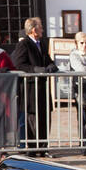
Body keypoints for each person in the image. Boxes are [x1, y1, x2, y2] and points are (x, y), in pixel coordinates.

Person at [11, 16, 55, 151]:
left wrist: (52, 66)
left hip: (42, 87)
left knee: (44, 117)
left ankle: (43, 147)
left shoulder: (41, 43)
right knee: (32, 119)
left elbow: (47, 60)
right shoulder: (23, 44)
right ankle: (33, 148)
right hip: (30, 89)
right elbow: (19, 64)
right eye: (40, 27)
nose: (42, 30)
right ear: (34, 30)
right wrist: (36, 70)